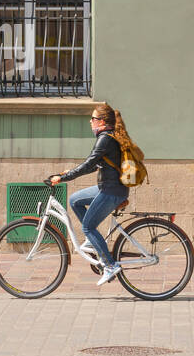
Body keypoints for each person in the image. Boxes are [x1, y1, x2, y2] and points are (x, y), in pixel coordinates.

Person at [49, 103, 134, 287]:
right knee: (74, 200)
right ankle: (92, 241)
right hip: (109, 187)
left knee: (88, 226)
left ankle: (110, 265)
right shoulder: (108, 137)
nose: (90, 121)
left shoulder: (105, 138)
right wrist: (67, 173)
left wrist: (63, 178)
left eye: (93, 119)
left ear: (102, 122)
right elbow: (96, 164)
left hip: (112, 191)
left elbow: (88, 164)